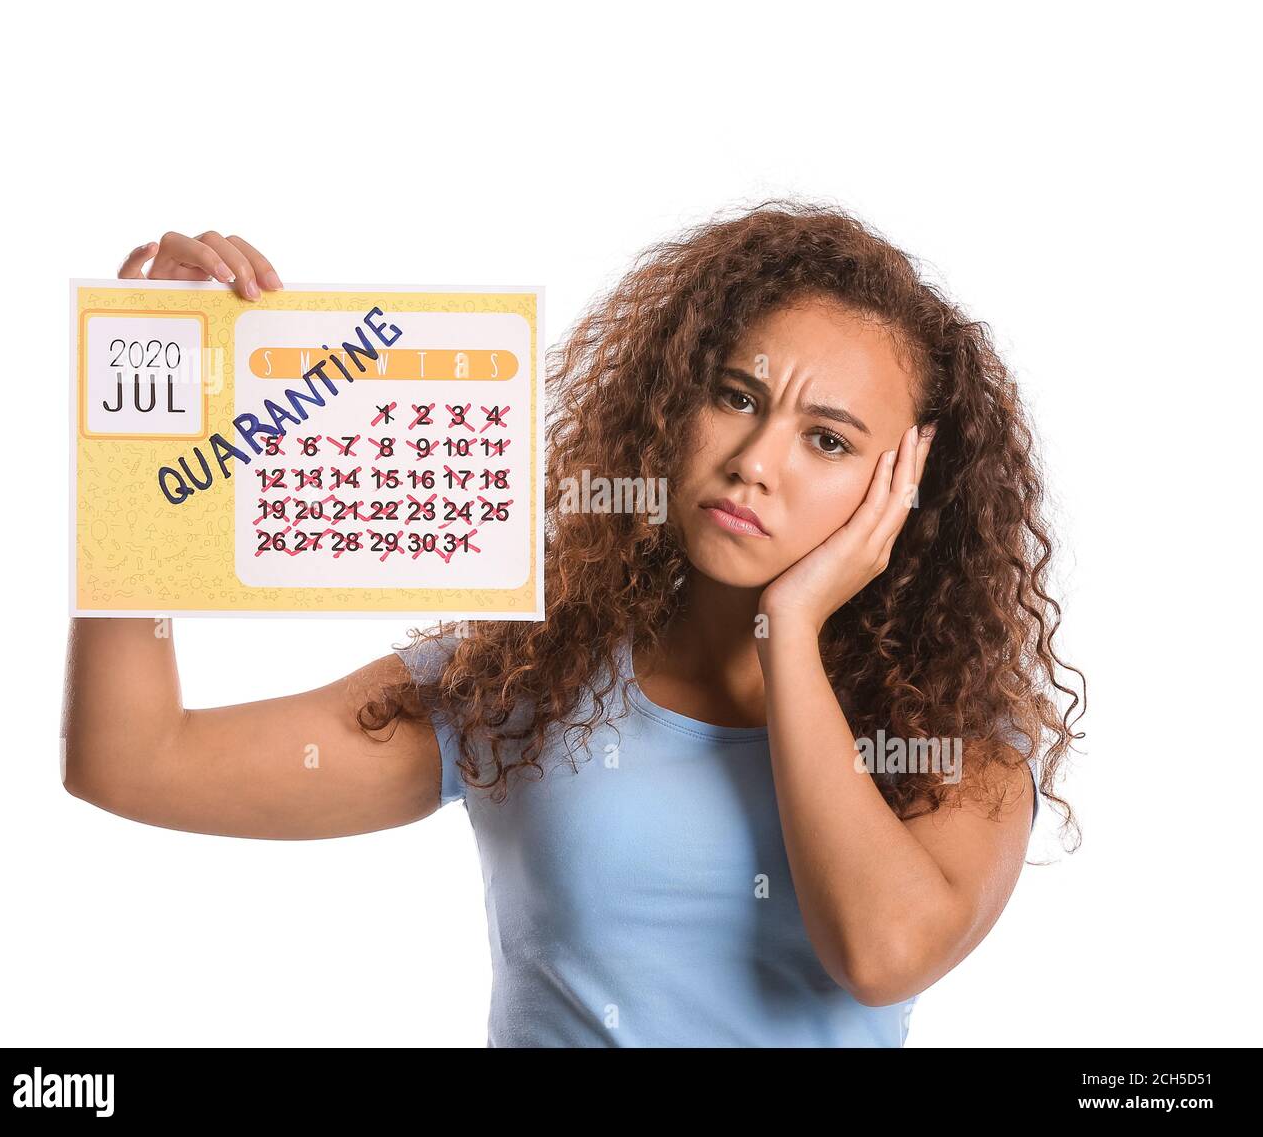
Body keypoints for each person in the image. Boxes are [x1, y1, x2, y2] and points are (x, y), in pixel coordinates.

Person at [62, 201, 1085, 1047]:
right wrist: (137, 421)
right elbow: (135, 758)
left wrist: (790, 628)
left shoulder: (958, 751)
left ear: (905, 491)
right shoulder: (517, 681)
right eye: (735, 396)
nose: (755, 459)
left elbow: (881, 951)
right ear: (670, 403)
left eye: (825, 439)